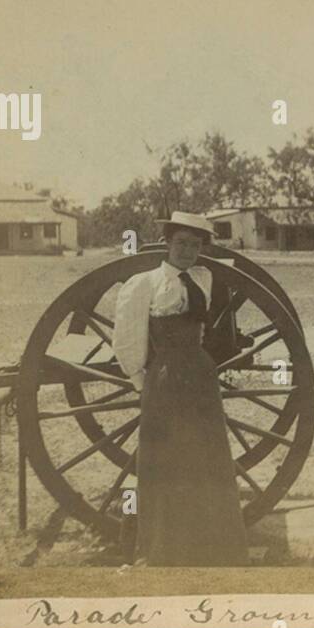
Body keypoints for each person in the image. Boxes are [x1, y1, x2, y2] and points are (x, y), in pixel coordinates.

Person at [113, 211, 249, 566]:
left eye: (195, 245)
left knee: (206, 457)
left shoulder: (204, 278)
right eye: (181, 244)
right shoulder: (144, 284)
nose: (187, 251)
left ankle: (211, 545)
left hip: (201, 378)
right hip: (166, 378)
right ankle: (165, 548)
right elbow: (127, 341)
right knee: (164, 462)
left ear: (202, 248)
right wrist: (145, 382)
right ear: (167, 244)